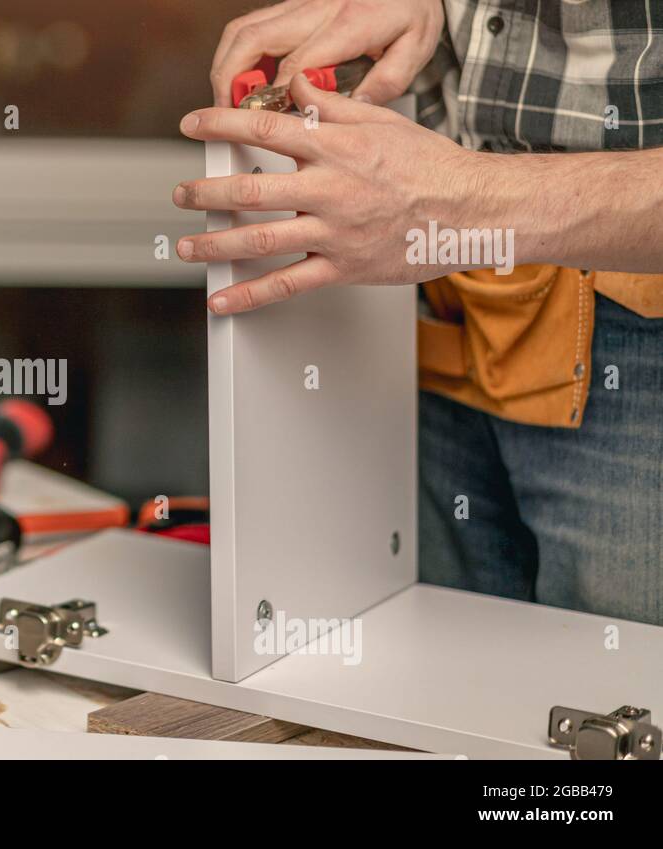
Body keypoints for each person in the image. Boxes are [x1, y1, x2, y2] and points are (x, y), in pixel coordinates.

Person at [173, 0, 662, 625]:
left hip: (636, 334)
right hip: (428, 299)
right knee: (435, 685)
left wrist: (464, 199)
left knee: (615, 700)